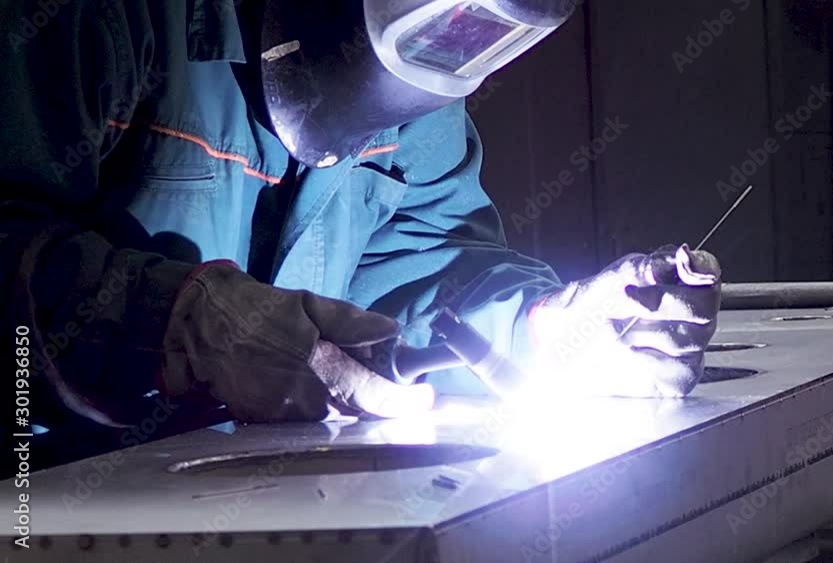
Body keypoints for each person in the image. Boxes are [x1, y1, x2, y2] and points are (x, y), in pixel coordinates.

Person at [0, 0, 721, 470]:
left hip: (242, 504)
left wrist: (546, 328)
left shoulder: (420, 67)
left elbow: (422, 252)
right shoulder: (98, 22)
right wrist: (182, 323)